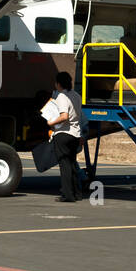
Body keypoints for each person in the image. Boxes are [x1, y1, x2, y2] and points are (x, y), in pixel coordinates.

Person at [41, 71, 84, 202]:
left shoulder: (61, 97)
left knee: (64, 165)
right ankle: (77, 193)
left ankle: (67, 195)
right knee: (72, 164)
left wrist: (51, 122)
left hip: (63, 134)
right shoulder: (76, 95)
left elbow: (64, 116)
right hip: (75, 134)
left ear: (58, 84)